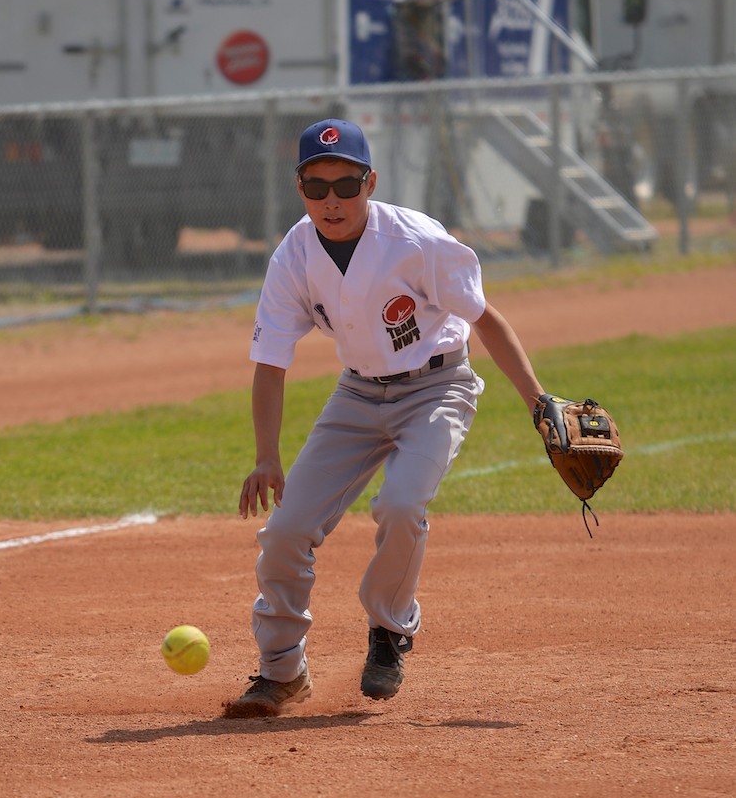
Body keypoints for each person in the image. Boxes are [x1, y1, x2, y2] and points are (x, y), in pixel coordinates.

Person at [224, 118, 545, 719]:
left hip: (437, 387)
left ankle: (390, 628)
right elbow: (270, 361)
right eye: (315, 187)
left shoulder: (416, 241)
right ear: (299, 189)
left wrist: (538, 402)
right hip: (358, 395)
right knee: (287, 531)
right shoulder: (294, 254)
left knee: (400, 505)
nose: (332, 201)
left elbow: (485, 317)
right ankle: (282, 672)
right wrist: (267, 455)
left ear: (370, 181)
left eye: (346, 184)